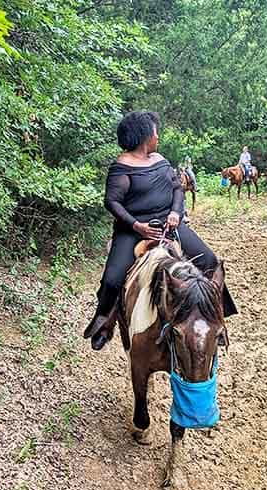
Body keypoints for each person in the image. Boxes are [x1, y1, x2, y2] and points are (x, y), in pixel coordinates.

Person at [83, 111, 237, 351]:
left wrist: (175, 213)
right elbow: (112, 202)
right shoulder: (121, 167)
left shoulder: (160, 160)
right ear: (145, 136)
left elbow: (177, 188)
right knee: (112, 279)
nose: (158, 136)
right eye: (156, 132)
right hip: (134, 229)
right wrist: (136, 225)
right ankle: (104, 321)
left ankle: (217, 318)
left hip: (169, 224)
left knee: (209, 260)